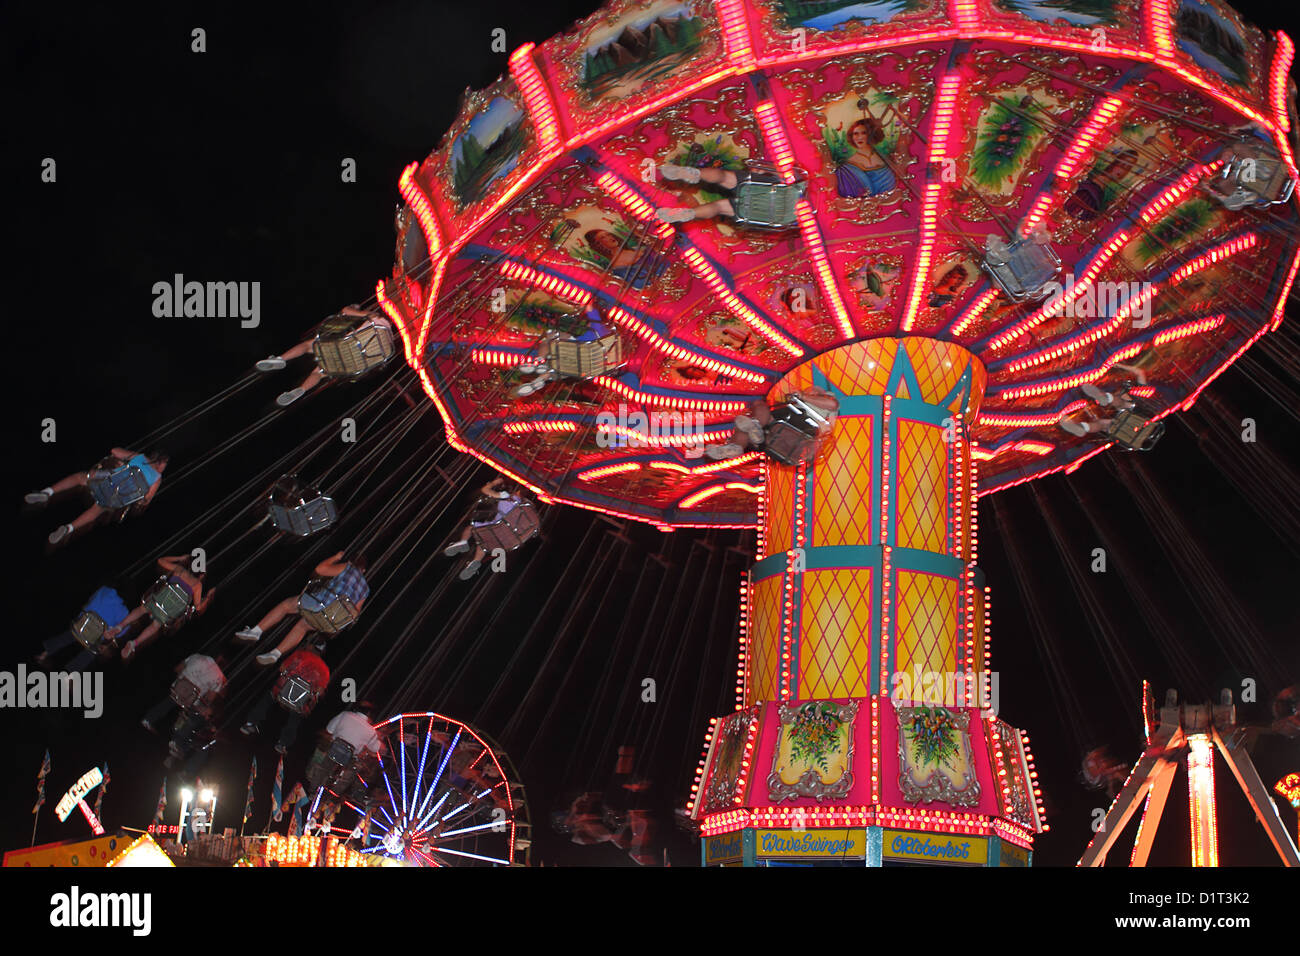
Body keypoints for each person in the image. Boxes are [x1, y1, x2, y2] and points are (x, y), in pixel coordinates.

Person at [233, 551, 369, 665]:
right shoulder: (365, 589)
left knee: (286, 605)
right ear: (364, 570)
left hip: (319, 605)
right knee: (303, 626)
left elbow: (320, 569)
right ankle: (275, 654)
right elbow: (355, 614)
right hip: (331, 621)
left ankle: (255, 632)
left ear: (350, 562)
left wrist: (336, 557)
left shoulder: (347, 568)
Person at [26, 448, 169, 546]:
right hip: (117, 497)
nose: (164, 467)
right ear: (161, 461)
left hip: (107, 480)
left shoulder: (140, 457)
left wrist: (128, 460)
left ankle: (46, 493)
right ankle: (68, 528)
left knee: (80, 477)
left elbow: (114, 451)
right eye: (165, 464)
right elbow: (146, 499)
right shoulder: (157, 478)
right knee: (97, 510)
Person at [255, 304, 387, 406]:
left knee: (309, 345)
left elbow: (346, 311)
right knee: (320, 372)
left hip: (346, 347)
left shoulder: (375, 317)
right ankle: (301, 390)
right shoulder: (388, 343)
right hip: (355, 364)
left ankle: (281, 359)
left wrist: (358, 310)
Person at [108, 555, 216, 661]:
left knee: (141, 609)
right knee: (155, 626)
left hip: (159, 600)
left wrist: (180, 558)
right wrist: (207, 597)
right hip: (168, 611)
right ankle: (134, 643)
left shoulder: (179, 570)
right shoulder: (197, 585)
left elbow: (161, 560)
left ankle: (120, 626)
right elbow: (198, 607)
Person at [655, 162, 808, 229]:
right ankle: (691, 213)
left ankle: (694, 174)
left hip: (781, 191)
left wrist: (767, 170)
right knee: (719, 207)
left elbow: (790, 173)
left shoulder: (812, 182)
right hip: (777, 215)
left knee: (723, 177)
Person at [705, 386, 839, 460]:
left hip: (805, 428)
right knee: (749, 418)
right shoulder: (797, 404)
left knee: (759, 407)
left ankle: (754, 428)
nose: (810, 391)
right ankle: (736, 446)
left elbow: (832, 405)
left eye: (813, 391)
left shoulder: (825, 401)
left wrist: (803, 396)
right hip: (785, 428)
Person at [241, 645, 331, 754]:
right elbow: (320, 691)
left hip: (282, 691)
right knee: (296, 718)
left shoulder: (300, 654)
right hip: (299, 702)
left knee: (268, 698)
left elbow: (282, 668)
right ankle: (283, 744)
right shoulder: (325, 669)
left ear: (311, 646)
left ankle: (250, 723)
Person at [512, 307, 614, 398]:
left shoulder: (598, 325)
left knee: (549, 337)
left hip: (576, 348)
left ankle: (539, 361)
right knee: (554, 369)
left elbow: (590, 308)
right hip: (579, 366)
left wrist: (588, 302)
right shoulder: (608, 340)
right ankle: (538, 381)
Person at [35, 584, 135, 671]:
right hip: (93, 639)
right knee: (90, 653)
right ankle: (70, 673)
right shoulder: (124, 612)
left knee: (67, 637)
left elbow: (90, 600)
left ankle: (44, 653)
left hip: (80, 626)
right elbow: (120, 632)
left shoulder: (104, 590)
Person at [443, 478, 522, 580]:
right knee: (483, 543)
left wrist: (493, 483)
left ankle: (463, 542)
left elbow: (485, 490)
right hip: (505, 535)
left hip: (495, 526)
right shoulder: (521, 505)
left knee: (471, 528)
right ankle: (475, 562)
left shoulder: (506, 496)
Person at [141, 653, 227, 733]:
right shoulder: (219, 678)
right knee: (196, 712)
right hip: (191, 699)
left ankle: (148, 719)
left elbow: (178, 668)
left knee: (168, 702)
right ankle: (177, 735)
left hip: (178, 687)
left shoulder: (197, 656)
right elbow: (210, 696)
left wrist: (182, 678)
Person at [1059, 363, 1147, 437]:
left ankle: (1107, 398)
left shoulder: (1140, 392)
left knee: (1123, 403)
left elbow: (1140, 372)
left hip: (1135, 416)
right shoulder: (1125, 392)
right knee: (1102, 424)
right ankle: (1081, 427)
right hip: (1126, 426)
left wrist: (1119, 365)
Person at [835, 118, 896, 198]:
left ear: (872, 134)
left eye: (864, 133)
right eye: (855, 134)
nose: (859, 137)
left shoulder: (886, 160)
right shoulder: (846, 169)